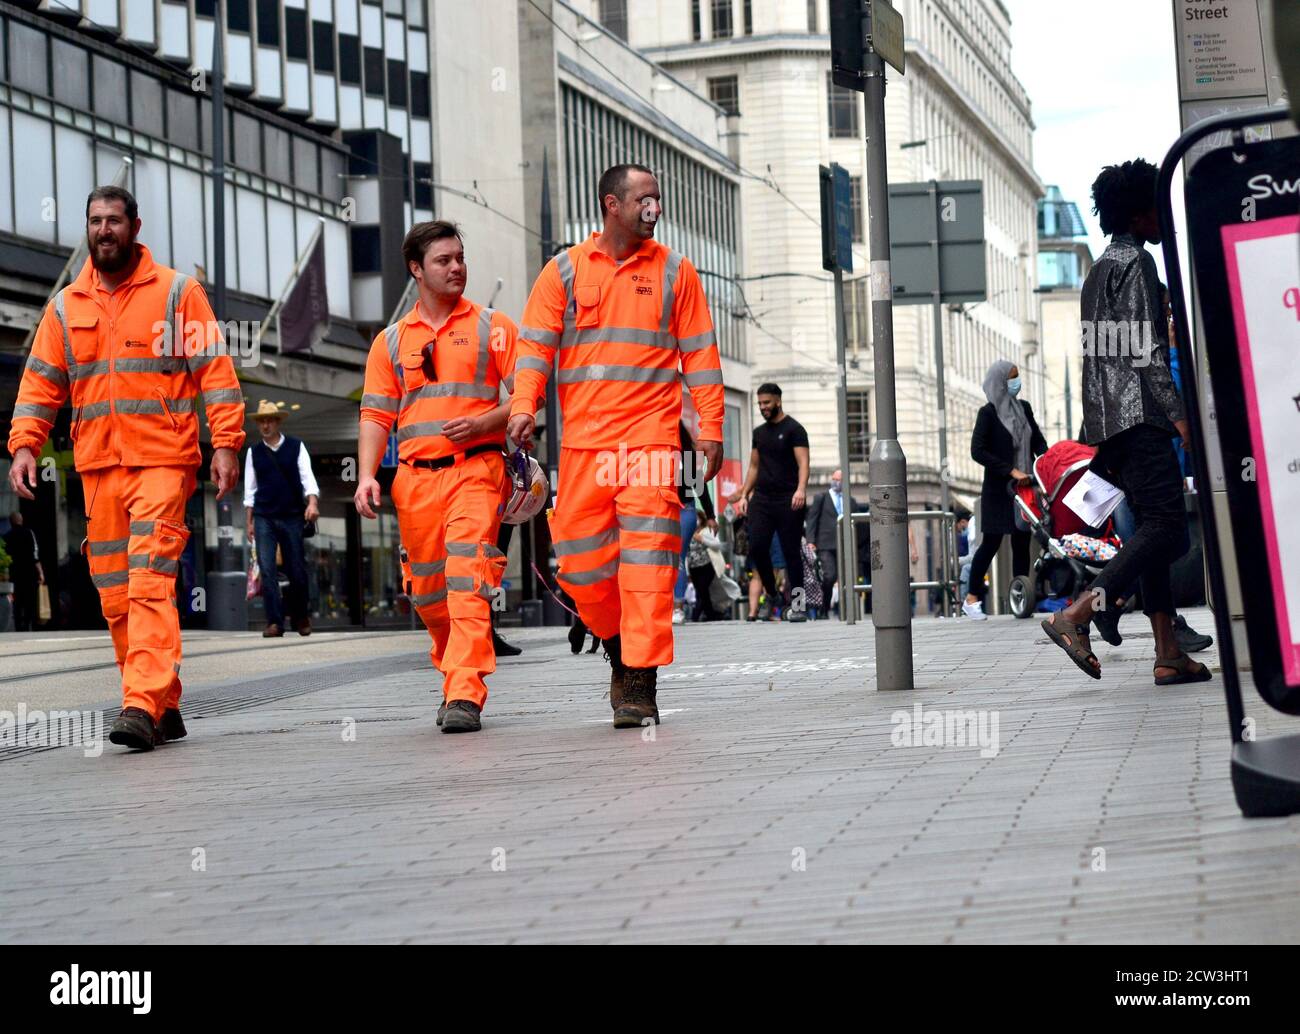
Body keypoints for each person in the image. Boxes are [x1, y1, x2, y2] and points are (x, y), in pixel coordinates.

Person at [7, 185, 245, 750]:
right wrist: (23, 444)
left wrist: (226, 442)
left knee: (148, 580)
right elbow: (42, 382)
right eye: (95, 221)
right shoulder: (66, 306)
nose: (104, 230)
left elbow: (214, 368)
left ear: (135, 227)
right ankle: (162, 700)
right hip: (98, 465)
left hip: (163, 457)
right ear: (86, 228)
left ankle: (138, 703)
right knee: (115, 591)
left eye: (114, 220)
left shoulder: (178, 293)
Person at [507, 163, 725, 729]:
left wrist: (710, 427)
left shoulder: (677, 272)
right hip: (585, 446)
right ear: (611, 204)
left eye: (657, 200)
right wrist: (525, 406)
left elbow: (700, 355)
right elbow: (533, 349)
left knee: (648, 567)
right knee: (581, 564)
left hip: (652, 444)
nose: (653, 209)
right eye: (642, 201)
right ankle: (614, 638)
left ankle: (638, 682)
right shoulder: (564, 272)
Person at [1042, 159, 1210, 686]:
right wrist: (1179, 417)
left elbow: (1098, 356)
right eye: (1158, 209)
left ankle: (1167, 653)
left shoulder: (1097, 271)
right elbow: (1146, 353)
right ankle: (1079, 614)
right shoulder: (1137, 264)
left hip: (1109, 421)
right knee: (1164, 527)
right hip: (1143, 419)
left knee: (1155, 534)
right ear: (1139, 215)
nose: (1166, 220)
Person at [355, 221, 520, 733]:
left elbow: (526, 395)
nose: (457, 268)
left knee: (467, 580)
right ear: (416, 269)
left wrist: (485, 423)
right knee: (429, 595)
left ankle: (466, 691)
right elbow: (376, 414)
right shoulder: (391, 341)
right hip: (414, 482)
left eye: (460, 258)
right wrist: (365, 476)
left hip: (477, 471)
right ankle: (454, 677)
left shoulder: (495, 326)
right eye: (444, 260)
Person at [963, 360, 1047, 620]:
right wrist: (1010, 471)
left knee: (1022, 542)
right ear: (999, 383)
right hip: (1000, 490)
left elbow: (1039, 443)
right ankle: (971, 599)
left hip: (1025, 489)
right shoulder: (987, 414)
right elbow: (978, 451)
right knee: (991, 543)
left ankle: (1021, 597)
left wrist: (1045, 464)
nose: (1016, 383)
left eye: (1017, 377)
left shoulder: (1024, 409)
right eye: (1012, 378)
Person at [729, 383, 810, 622]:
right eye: (760, 403)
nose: (763, 407)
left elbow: (803, 462)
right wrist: (744, 494)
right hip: (762, 498)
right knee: (756, 548)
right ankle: (773, 594)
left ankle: (798, 605)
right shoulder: (759, 433)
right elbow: (754, 466)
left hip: (789, 498)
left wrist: (801, 490)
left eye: (767, 403)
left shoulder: (795, 429)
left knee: (791, 553)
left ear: (778, 401)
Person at [244, 400, 320, 637]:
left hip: (292, 516)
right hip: (264, 516)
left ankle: (301, 616)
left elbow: (307, 477)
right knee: (267, 569)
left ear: (277, 422)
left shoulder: (296, 446)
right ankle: (275, 622)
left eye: (269, 421)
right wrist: (249, 521)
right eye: (261, 422)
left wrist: (313, 502)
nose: (265, 425)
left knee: (296, 568)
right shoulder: (253, 452)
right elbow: (250, 489)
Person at [804, 469, 870, 619]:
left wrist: (857, 544)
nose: (836, 482)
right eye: (834, 478)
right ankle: (824, 607)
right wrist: (811, 541)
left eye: (839, 479)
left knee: (849, 578)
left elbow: (858, 525)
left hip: (846, 546)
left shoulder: (851, 502)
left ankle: (848, 611)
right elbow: (812, 520)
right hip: (826, 545)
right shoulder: (821, 498)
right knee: (829, 575)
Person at [673, 420, 717, 624]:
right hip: (659, 511)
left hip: (684, 510)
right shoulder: (650, 455)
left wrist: (710, 516)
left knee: (677, 558)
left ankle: (678, 607)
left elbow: (700, 487)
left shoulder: (686, 456)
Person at [4, 512, 44, 632]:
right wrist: (41, 572)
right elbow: (35, 554)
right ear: (21, 520)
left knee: (17, 601)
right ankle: (28, 624)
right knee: (29, 600)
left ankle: (18, 624)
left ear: (11, 522)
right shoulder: (29, 533)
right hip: (29, 574)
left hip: (14, 574)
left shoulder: (6, 537)